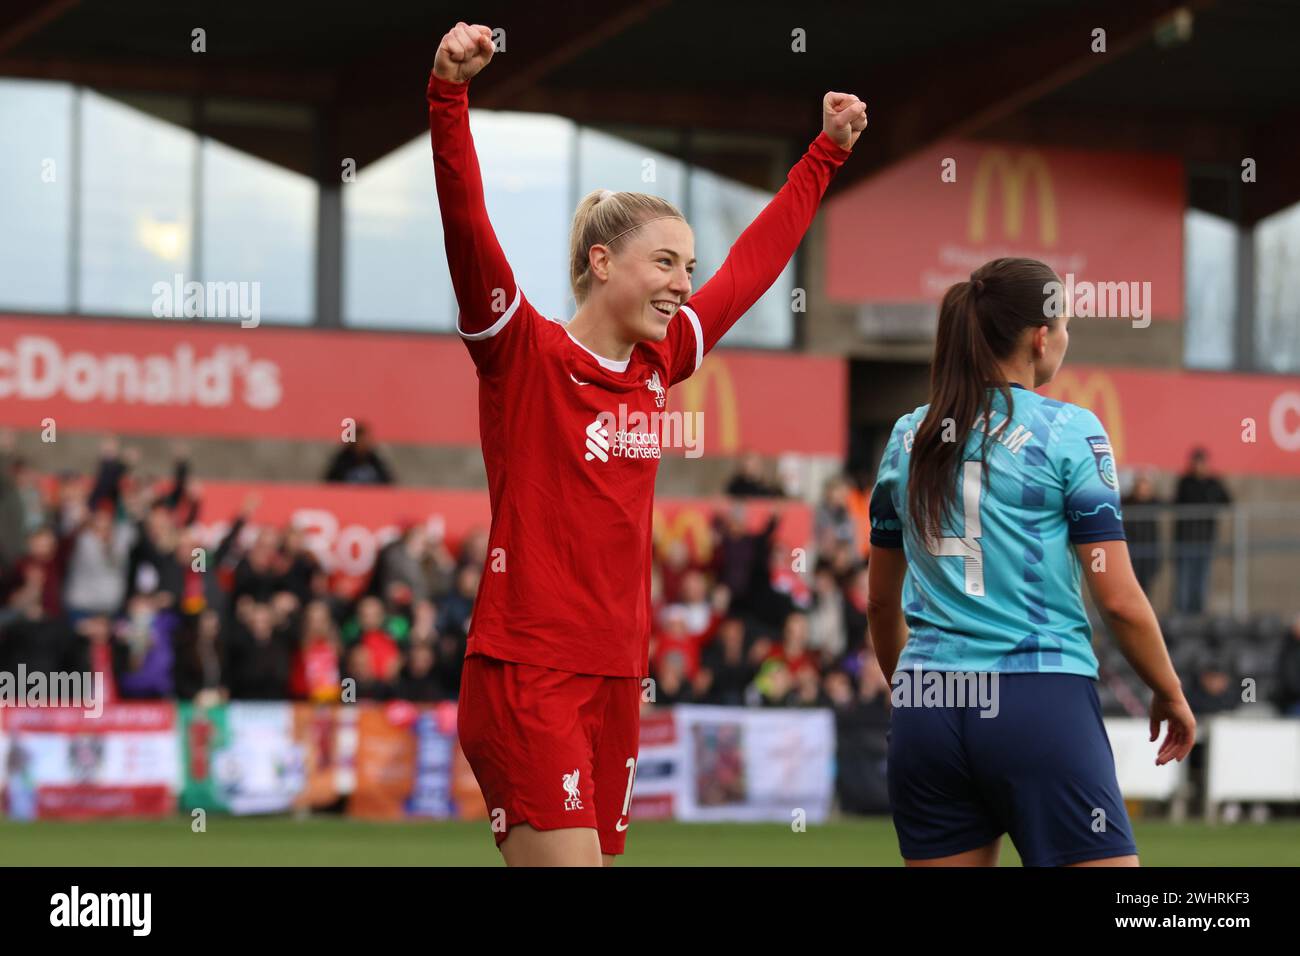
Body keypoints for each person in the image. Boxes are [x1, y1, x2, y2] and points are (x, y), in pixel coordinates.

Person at [428, 20, 864, 866]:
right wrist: (449, 94)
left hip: (618, 672)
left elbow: (752, 267)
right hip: (528, 665)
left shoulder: (660, 362)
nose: (683, 285)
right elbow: (465, 221)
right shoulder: (523, 352)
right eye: (665, 263)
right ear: (600, 261)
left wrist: (826, 154)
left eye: (687, 267)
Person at [866, 257, 1196, 868]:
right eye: (1066, 325)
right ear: (1041, 336)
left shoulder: (907, 435)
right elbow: (1119, 600)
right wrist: (1168, 689)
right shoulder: (1070, 430)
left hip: (928, 707)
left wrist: (917, 694)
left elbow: (882, 602)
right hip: (1037, 698)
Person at [1173, 447, 1231, 615]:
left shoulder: (1213, 483)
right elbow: (1177, 503)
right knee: (1184, 578)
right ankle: (1182, 613)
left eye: (1202, 462)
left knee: (1202, 578)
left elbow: (1228, 501)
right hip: (1185, 539)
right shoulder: (1185, 482)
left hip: (1205, 539)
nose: (1199, 466)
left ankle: (1198, 612)